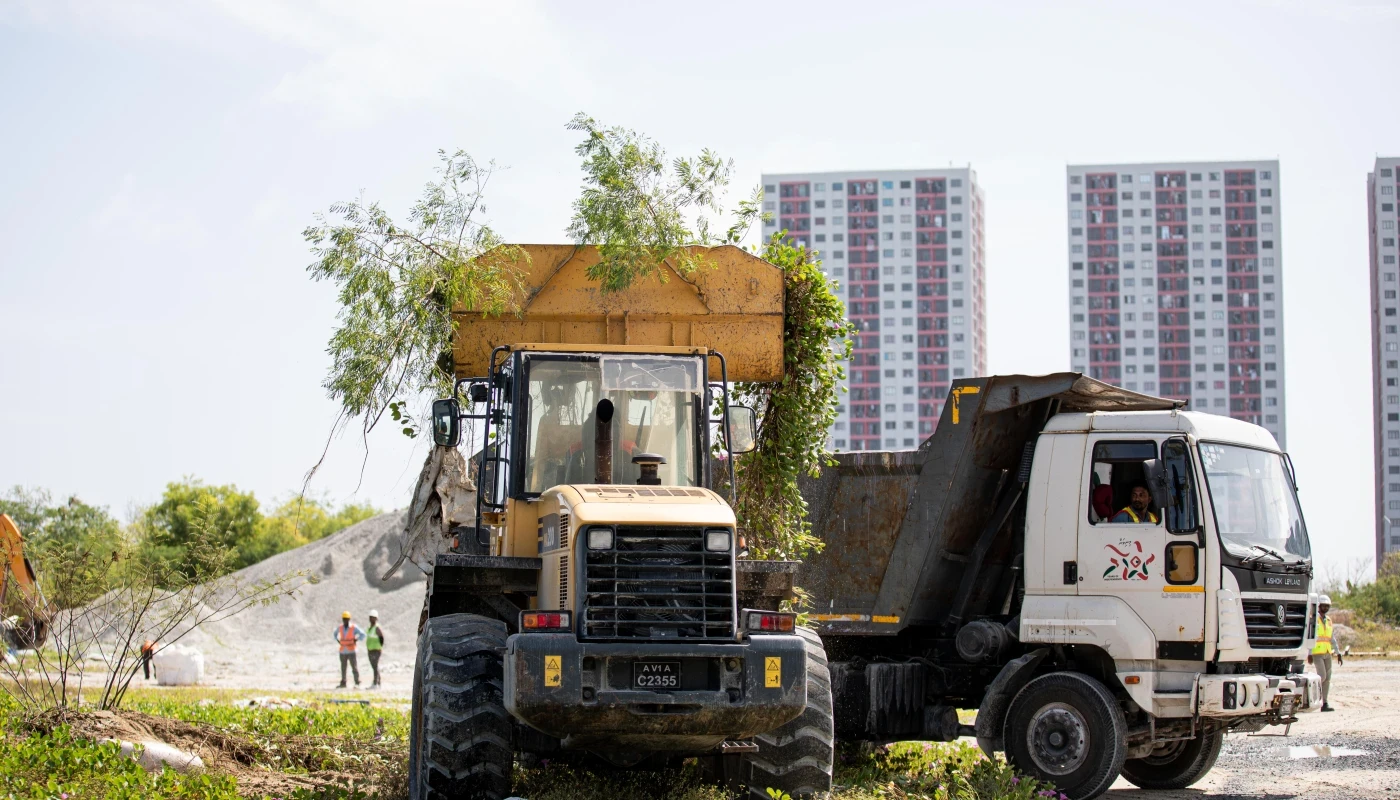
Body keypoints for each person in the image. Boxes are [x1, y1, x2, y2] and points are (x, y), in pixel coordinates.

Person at [1309, 595, 1335, 712]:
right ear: (1319, 606)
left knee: (1327, 678)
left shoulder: (1328, 620)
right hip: (1317, 653)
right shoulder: (1314, 620)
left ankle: (1325, 703)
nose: (1325, 608)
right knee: (1322, 677)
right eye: (1323, 606)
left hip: (1327, 652)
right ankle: (1315, 699)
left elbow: (1331, 637)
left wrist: (1338, 652)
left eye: (1327, 606)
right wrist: (1309, 653)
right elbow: (1310, 636)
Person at [334, 611, 365, 688]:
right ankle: (343, 682)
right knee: (343, 668)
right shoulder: (340, 628)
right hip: (342, 651)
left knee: (354, 667)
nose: (345, 620)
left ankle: (357, 682)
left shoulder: (353, 628)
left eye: (347, 619)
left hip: (351, 650)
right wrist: (338, 640)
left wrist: (356, 639)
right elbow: (335, 634)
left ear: (349, 619)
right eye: (344, 619)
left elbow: (363, 634)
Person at [365, 610, 385, 688]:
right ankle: (378, 682)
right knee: (374, 666)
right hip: (370, 650)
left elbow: (381, 638)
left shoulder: (377, 628)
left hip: (376, 650)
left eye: (373, 618)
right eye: (370, 617)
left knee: (375, 666)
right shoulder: (370, 628)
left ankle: (375, 683)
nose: (371, 619)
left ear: (376, 618)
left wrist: (379, 647)